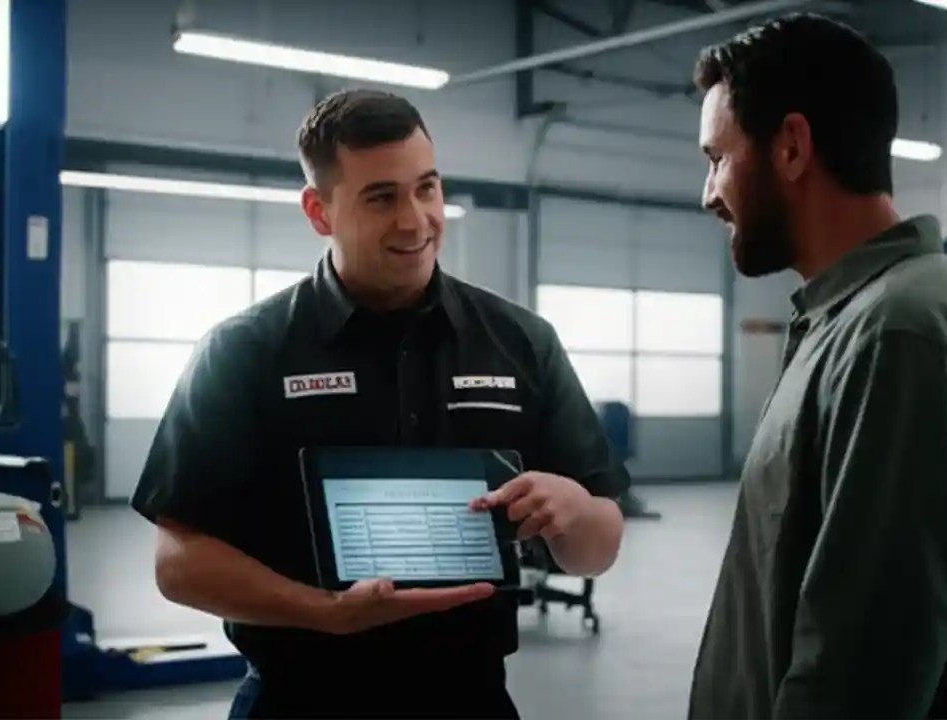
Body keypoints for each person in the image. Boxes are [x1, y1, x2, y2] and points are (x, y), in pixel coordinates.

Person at [130, 88, 629, 719]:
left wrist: (577, 512)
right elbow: (178, 561)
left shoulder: (521, 343)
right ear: (320, 210)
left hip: (470, 700)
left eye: (427, 188)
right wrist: (329, 615)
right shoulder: (244, 351)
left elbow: (599, 547)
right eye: (381, 197)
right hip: (299, 702)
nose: (416, 220)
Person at [687, 14, 947, 720]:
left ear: (791, 146)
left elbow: (860, 673)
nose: (709, 192)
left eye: (717, 158)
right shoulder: (848, 322)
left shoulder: (902, 334)